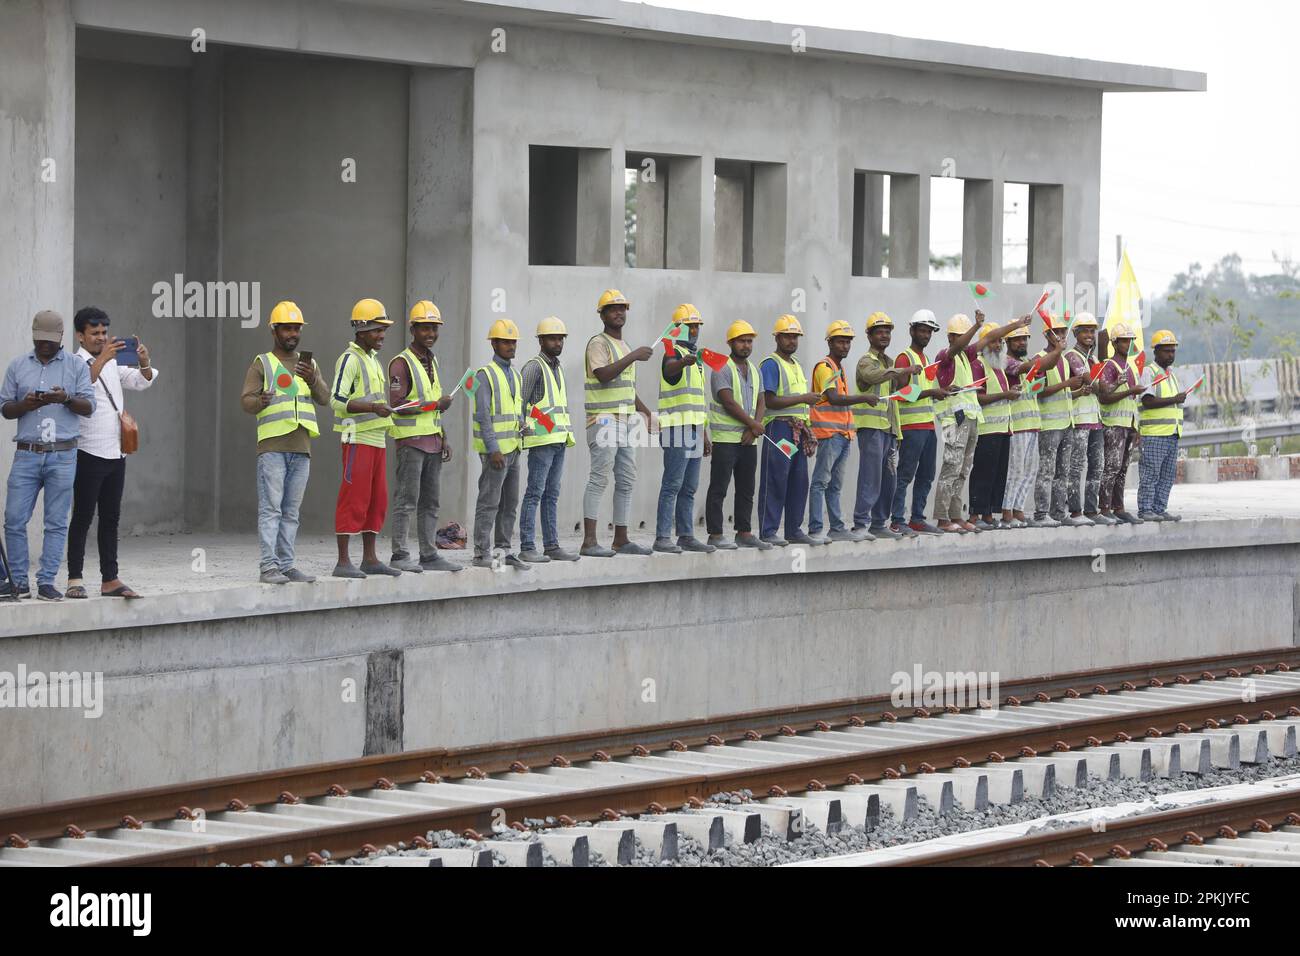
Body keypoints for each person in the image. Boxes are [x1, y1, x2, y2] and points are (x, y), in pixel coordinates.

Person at [0, 311, 95, 600]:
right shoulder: (18, 365)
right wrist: (26, 405)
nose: (44, 345)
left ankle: (46, 581)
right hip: (27, 453)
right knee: (14, 519)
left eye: (50, 340)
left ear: (61, 337)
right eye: (40, 339)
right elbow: (5, 408)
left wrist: (65, 398)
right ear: (33, 335)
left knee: (55, 522)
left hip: (63, 454)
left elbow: (89, 407)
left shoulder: (76, 366)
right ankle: (18, 582)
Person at [65, 307, 158, 599]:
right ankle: (74, 579)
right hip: (88, 451)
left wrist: (144, 362)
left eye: (104, 332)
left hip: (117, 452)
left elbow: (140, 381)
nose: (101, 338)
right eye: (94, 333)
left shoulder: (113, 362)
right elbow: (77, 390)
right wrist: (102, 359)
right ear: (80, 336)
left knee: (110, 518)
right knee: (82, 517)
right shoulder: (74, 362)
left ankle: (110, 579)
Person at [241, 301, 328, 584]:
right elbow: (246, 401)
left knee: (291, 512)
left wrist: (313, 379)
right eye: (287, 328)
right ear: (274, 331)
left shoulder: (308, 365)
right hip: (272, 448)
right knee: (271, 510)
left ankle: (287, 565)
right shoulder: (262, 363)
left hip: (301, 448)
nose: (293, 334)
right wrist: (261, 400)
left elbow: (325, 398)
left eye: (296, 329)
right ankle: (269, 567)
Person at [932, 311, 1026, 533]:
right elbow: (963, 345)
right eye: (960, 335)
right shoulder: (945, 356)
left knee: (962, 470)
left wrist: (1016, 325)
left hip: (971, 418)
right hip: (953, 421)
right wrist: (975, 326)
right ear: (951, 337)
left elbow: (990, 336)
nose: (966, 340)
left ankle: (956, 515)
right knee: (951, 469)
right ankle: (942, 518)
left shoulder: (967, 357)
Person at [331, 297, 401, 578]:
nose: (382, 335)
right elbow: (336, 400)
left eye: (383, 330)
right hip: (355, 438)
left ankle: (370, 559)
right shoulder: (349, 359)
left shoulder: (373, 360)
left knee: (376, 500)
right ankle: (343, 561)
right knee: (354, 498)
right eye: (377, 330)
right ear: (361, 330)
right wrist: (373, 408)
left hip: (376, 439)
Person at [387, 300, 459, 573]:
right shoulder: (401, 363)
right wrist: (434, 405)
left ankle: (428, 554)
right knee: (406, 501)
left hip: (432, 442)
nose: (431, 333)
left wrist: (443, 437)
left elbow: (434, 403)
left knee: (431, 503)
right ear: (413, 330)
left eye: (434, 328)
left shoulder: (432, 360)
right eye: (425, 328)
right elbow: (398, 404)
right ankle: (400, 554)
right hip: (411, 443)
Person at [581, 289, 654, 557]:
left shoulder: (623, 347)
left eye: (622, 308)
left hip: (625, 421)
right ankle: (589, 541)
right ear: (602, 315)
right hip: (603, 420)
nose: (619, 312)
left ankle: (621, 540)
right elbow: (603, 375)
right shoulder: (598, 343)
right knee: (599, 478)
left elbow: (626, 388)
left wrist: (646, 413)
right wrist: (633, 356)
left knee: (626, 479)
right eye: (613, 308)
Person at [808, 320, 881, 543]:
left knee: (835, 486)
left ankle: (837, 528)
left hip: (843, 435)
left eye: (848, 342)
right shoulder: (825, 367)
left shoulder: (837, 369)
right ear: (830, 343)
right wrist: (863, 397)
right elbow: (834, 398)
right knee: (821, 482)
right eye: (840, 342)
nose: (845, 346)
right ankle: (816, 529)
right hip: (830, 435)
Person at [704, 320, 769, 551]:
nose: (746, 345)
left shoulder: (755, 370)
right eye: (741, 341)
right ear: (731, 343)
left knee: (746, 488)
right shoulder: (721, 368)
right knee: (719, 488)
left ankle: (744, 532)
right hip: (725, 440)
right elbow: (728, 402)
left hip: (748, 440)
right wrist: (753, 425)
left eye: (749, 341)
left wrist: (754, 428)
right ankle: (715, 534)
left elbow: (762, 401)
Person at [654, 304, 714, 554]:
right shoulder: (672, 352)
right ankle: (662, 537)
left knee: (689, 487)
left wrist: (704, 434)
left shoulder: (696, 359)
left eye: (697, 326)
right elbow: (670, 369)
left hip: (694, 429)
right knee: (672, 484)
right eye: (689, 326)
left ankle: (686, 535)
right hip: (675, 429)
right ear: (677, 329)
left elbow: (697, 401)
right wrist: (682, 363)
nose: (694, 331)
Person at [519, 316, 579, 562]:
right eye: (552, 338)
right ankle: (527, 546)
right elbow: (521, 403)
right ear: (541, 341)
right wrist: (527, 426)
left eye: (560, 338)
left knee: (551, 494)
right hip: (541, 442)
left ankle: (552, 546)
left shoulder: (557, 368)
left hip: (558, 439)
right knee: (535, 493)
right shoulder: (534, 367)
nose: (558, 343)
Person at [758, 314, 821, 547]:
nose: (792, 341)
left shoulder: (796, 365)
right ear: (777, 338)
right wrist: (804, 398)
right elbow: (770, 400)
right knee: (776, 478)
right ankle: (768, 530)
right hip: (779, 429)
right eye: (787, 336)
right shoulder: (771, 364)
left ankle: (793, 529)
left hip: (797, 430)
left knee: (798, 480)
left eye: (795, 337)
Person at [472, 319, 528, 569]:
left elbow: (514, 410)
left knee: (509, 504)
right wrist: (493, 449)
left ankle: (503, 550)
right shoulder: (484, 375)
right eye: (505, 342)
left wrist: (523, 426)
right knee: (489, 502)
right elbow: (483, 415)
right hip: (496, 452)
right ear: (494, 344)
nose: (511, 346)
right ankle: (481, 553)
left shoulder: (515, 374)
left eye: (513, 342)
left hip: (513, 448)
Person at [852, 312, 909, 540]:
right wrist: (901, 370)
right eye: (879, 332)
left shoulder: (890, 363)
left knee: (888, 480)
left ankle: (878, 523)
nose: (884, 336)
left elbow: (898, 393)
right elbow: (873, 377)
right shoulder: (866, 361)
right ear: (869, 336)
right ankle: (861, 523)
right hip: (871, 428)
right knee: (870, 477)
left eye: (887, 332)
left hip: (889, 430)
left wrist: (906, 372)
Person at [888, 310, 946, 536]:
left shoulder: (926, 360)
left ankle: (917, 519)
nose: (926, 335)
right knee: (905, 475)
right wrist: (931, 392)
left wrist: (941, 392)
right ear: (912, 331)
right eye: (922, 330)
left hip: (928, 426)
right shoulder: (904, 359)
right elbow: (901, 394)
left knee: (927, 475)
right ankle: (897, 520)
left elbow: (925, 390)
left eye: (929, 332)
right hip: (911, 427)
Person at [969, 321, 1022, 530]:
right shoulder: (979, 364)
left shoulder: (999, 366)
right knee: (983, 473)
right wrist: (1005, 394)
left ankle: (989, 513)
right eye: (993, 342)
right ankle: (975, 514)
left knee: (998, 474)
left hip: (1003, 428)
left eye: (1000, 341)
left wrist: (1012, 392)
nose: (998, 345)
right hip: (987, 429)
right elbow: (978, 397)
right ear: (984, 343)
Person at [1030, 313, 1079, 528]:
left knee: (1063, 472)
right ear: (1047, 335)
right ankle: (1041, 513)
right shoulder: (1040, 359)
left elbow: (1064, 391)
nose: (1061, 335)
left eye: (1063, 332)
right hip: (1049, 425)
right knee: (1047, 471)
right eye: (1056, 332)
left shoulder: (1065, 360)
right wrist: (1067, 384)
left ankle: (1058, 512)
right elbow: (1039, 391)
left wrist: (1076, 389)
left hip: (1067, 423)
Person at [1095, 322, 1144, 525]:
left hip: (1128, 424)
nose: (1128, 344)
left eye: (1130, 340)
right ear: (1114, 343)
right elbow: (1104, 397)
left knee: (1123, 468)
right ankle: (1105, 508)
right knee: (1112, 467)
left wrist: (1137, 427)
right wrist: (1130, 390)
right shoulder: (1109, 366)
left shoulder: (1130, 367)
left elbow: (1132, 401)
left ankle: (1119, 507)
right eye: (1124, 341)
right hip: (1113, 424)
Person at [1137, 329, 1187, 522]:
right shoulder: (1148, 372)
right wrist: (1174, 399)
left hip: (1172, 434)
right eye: (1166, 351)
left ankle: (1159, 509)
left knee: (1167, 475)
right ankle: (1146, 509)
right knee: (1150, 474)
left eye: (1173, 351)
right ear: (1156, 351)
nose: (1170, 355)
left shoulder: (1171, 374)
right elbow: (1148, 401)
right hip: (1154, 434)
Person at [1064, 312, 1104, 525]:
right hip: (1079, 420)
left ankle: (1091, 510)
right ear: (1076, 334)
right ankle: (1075, 511)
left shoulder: (1093, 358)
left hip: (1095, 419)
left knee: (1097, 466)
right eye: (1085, 331)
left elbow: (1100, 386)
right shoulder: (1072, 356)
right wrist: (1101, 386)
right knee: (1076, 466)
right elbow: (1095, 383)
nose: (1090, 335)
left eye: (1092, 331)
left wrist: (1101, 386)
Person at [1001, 325, 1041, 528]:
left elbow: (1036, 387)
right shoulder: (1006, 361)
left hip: (1033, 423)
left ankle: (1019, 508)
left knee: (1030, 470)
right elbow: (1029, 368)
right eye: (1017, 339)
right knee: (1015, 470)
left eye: (1025, 338)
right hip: (1017, 424)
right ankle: (1007, 510)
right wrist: (1055, 351)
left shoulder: (1027, 362)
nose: (1022, 342)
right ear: (1007, 342)